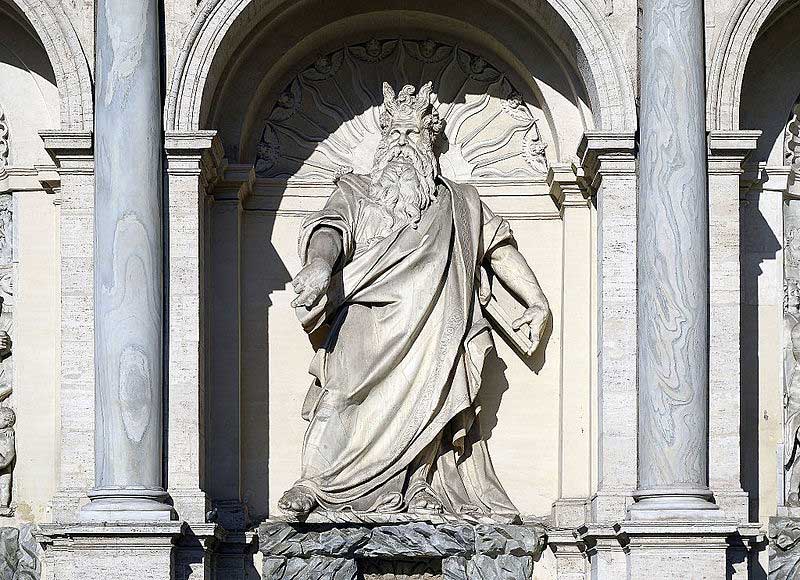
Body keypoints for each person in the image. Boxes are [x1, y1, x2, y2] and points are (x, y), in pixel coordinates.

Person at [279, 82, 549, 522]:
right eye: (397, 136)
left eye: (414, 136)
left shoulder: (460, 202)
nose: (404, 145)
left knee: (435, 392)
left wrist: (536, 301)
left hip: (436, 322)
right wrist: (319, 266)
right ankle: (316, 481)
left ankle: (421, 484)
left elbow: (498, 249)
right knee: (341, 394)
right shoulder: (356, 190)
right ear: (385, 140)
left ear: (430, 142)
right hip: (363, 321)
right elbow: (329, 229)